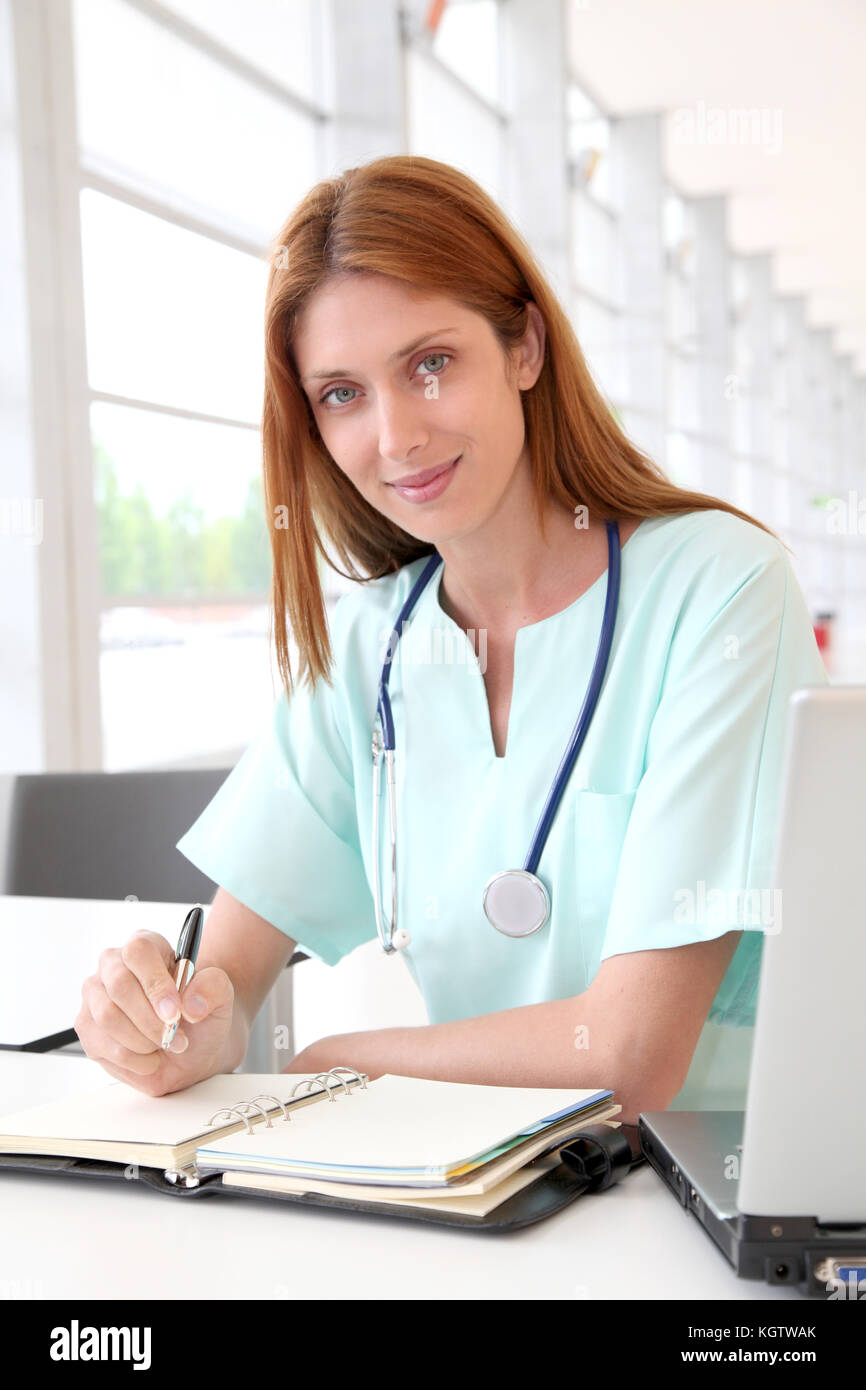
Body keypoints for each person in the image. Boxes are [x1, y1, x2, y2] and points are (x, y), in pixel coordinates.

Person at [74, 156, 828, 1142]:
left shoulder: (720, 589)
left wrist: (333, 1065)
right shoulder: (370, 649)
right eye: (341, 394)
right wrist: (168, 1028)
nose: (396, 435)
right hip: (486, 1183)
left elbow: (630, 1056)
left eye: (429, 363)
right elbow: (221, 986)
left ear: (523, 345)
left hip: (709, 1185)